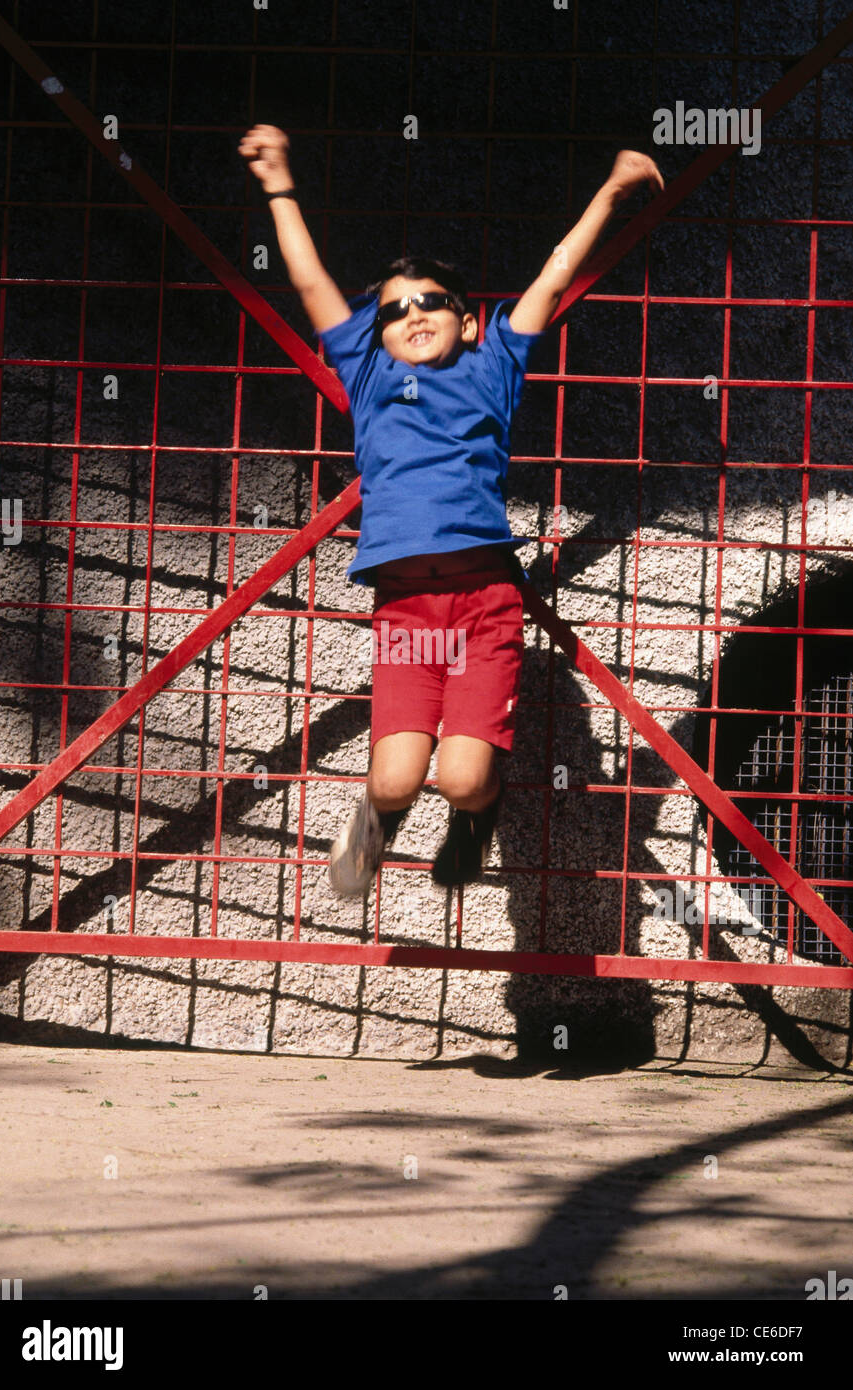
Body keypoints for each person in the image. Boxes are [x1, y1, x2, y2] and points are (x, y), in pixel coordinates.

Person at [237, 125, 663, 895]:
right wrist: (278, 185)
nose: (414, 314)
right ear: (377, 332)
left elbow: (555, 275)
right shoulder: (366, 376)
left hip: (484, 608)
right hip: (406, 611)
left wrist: (610, 189)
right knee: (395, 782)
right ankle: (378, 827)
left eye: (432, 302)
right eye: (396, 310)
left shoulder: (493, 364)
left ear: (468, 321)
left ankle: (474, 819)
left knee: (462, 781)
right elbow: (307, 283)